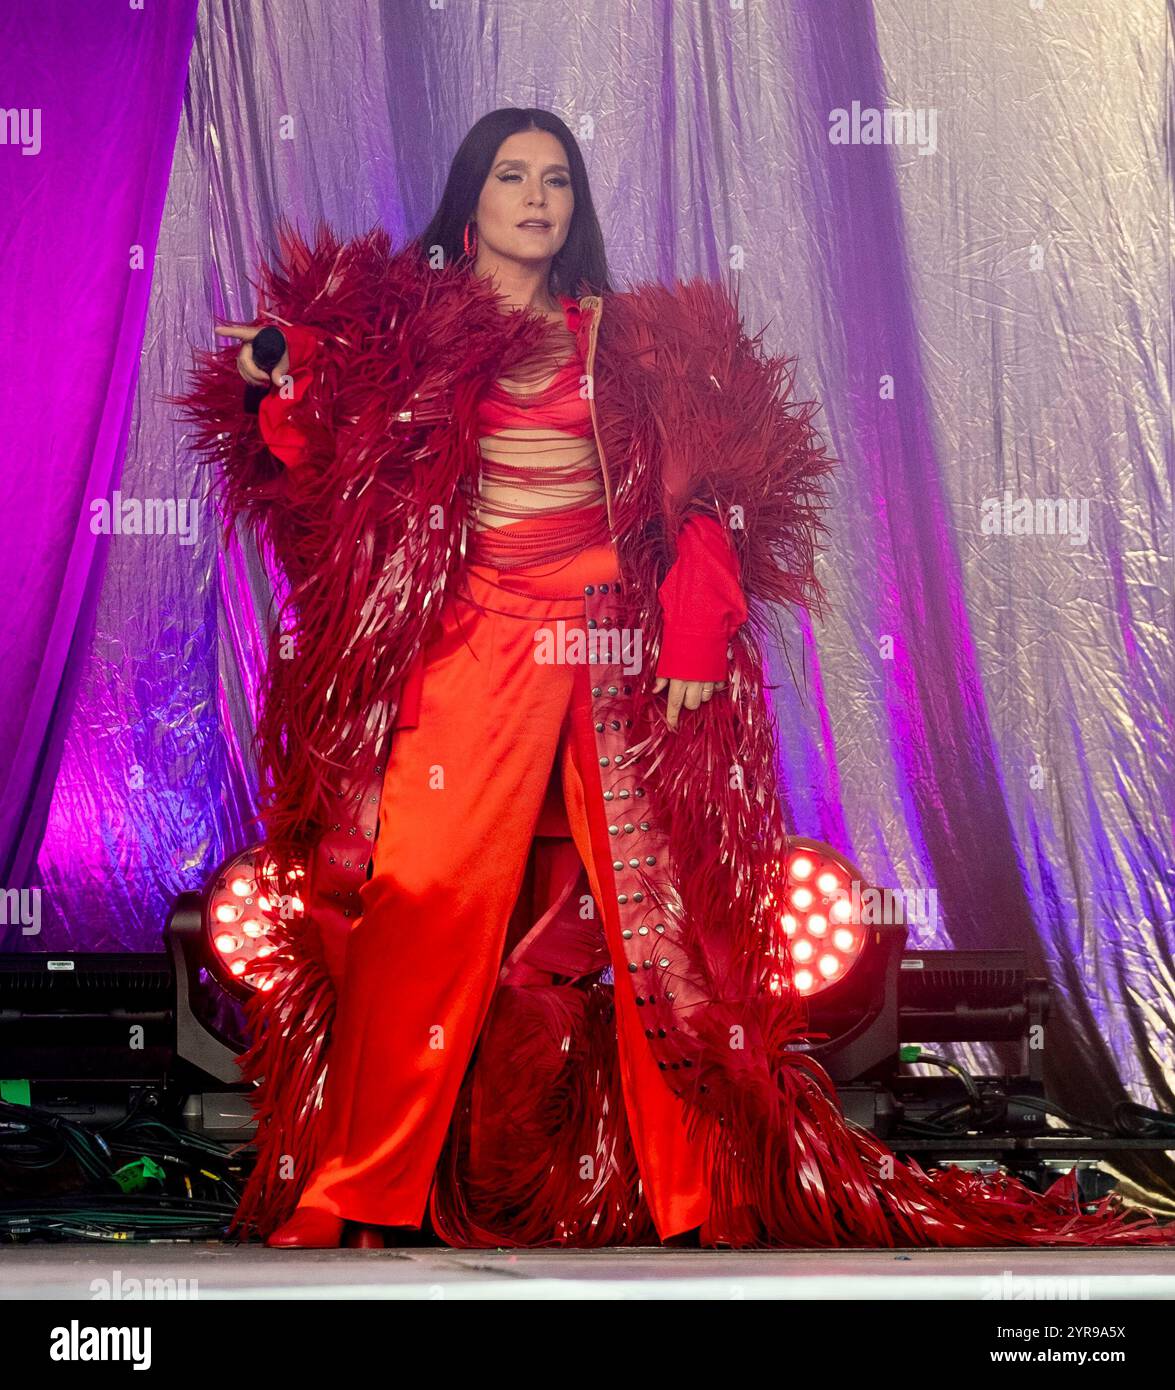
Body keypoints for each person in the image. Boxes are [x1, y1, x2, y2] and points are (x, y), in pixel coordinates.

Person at [179, 107, 1173, 1250]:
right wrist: (274, 366)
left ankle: (704, 1192)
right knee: (416, 905)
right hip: (469, 642)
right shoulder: (405, 332)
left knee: (669, 922)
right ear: (471, 201)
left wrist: (692, 633)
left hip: (616, 646)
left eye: (556, 178)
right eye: (511, 176)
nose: (537, 198)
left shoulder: (631, 339)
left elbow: (713, 493)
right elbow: (311, 432)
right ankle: (350, 1186)